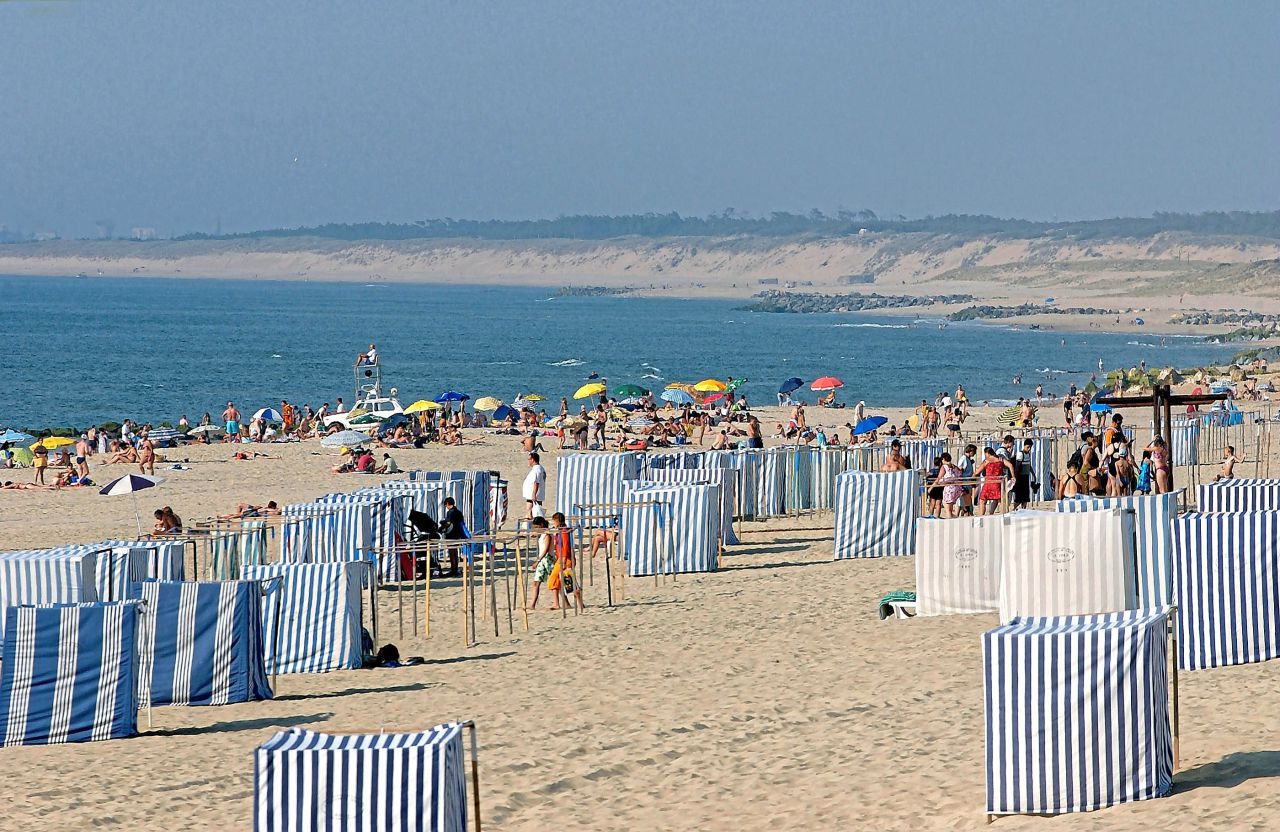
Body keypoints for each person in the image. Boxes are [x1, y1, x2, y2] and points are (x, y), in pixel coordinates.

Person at [547, 512, 584, 611]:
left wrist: (562, 560)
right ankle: (567, 603)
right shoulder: (561, 531)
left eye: (554, 521)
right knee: (564, 581)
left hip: (564, 559)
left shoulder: (564, 532)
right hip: (562, 558)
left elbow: (566, 546)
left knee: (563, 581)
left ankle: (562, 603)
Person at [977, 447, 1015, 516]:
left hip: (988, 483)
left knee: (983, 500)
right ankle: (1003, 516)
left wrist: (973, 476)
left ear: (987, 453)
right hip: (997, 483)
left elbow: (977, 472)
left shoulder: (987, 461)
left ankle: (981, 518)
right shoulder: (1000, 459)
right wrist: (1013, 476)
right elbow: (1010, 465)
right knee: (1000, 501)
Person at [527, 517, 554, 610]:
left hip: (547, 560)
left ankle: (561, 602)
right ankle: (532, 604)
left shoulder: (547, 535)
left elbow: (546, 549)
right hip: (543, 560)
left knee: (555, 582)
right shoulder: (543, 535)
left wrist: (537, 561)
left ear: (541, 525)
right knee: (536, 582)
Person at [438, 496, 467, 577]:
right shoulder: (458, 512)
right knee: (455, 552)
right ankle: (455, 569)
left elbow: (448, 523)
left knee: (451, 552)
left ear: (448, 504)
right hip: (458, 534)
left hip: (451, 534)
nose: (446, 507)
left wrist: (441, 528)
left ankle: (453, 570)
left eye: (446, 505)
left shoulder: (450, 512)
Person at [524, 452, 546, 518]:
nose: (528, 461)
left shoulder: (537, 469)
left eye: (529, 459)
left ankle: (531, 526)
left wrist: (534, 493)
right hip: (534, 495)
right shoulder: (539, 468)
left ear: (533, 459)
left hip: (534, 495)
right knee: (532, 512)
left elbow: (536, 482)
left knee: (530, 512)